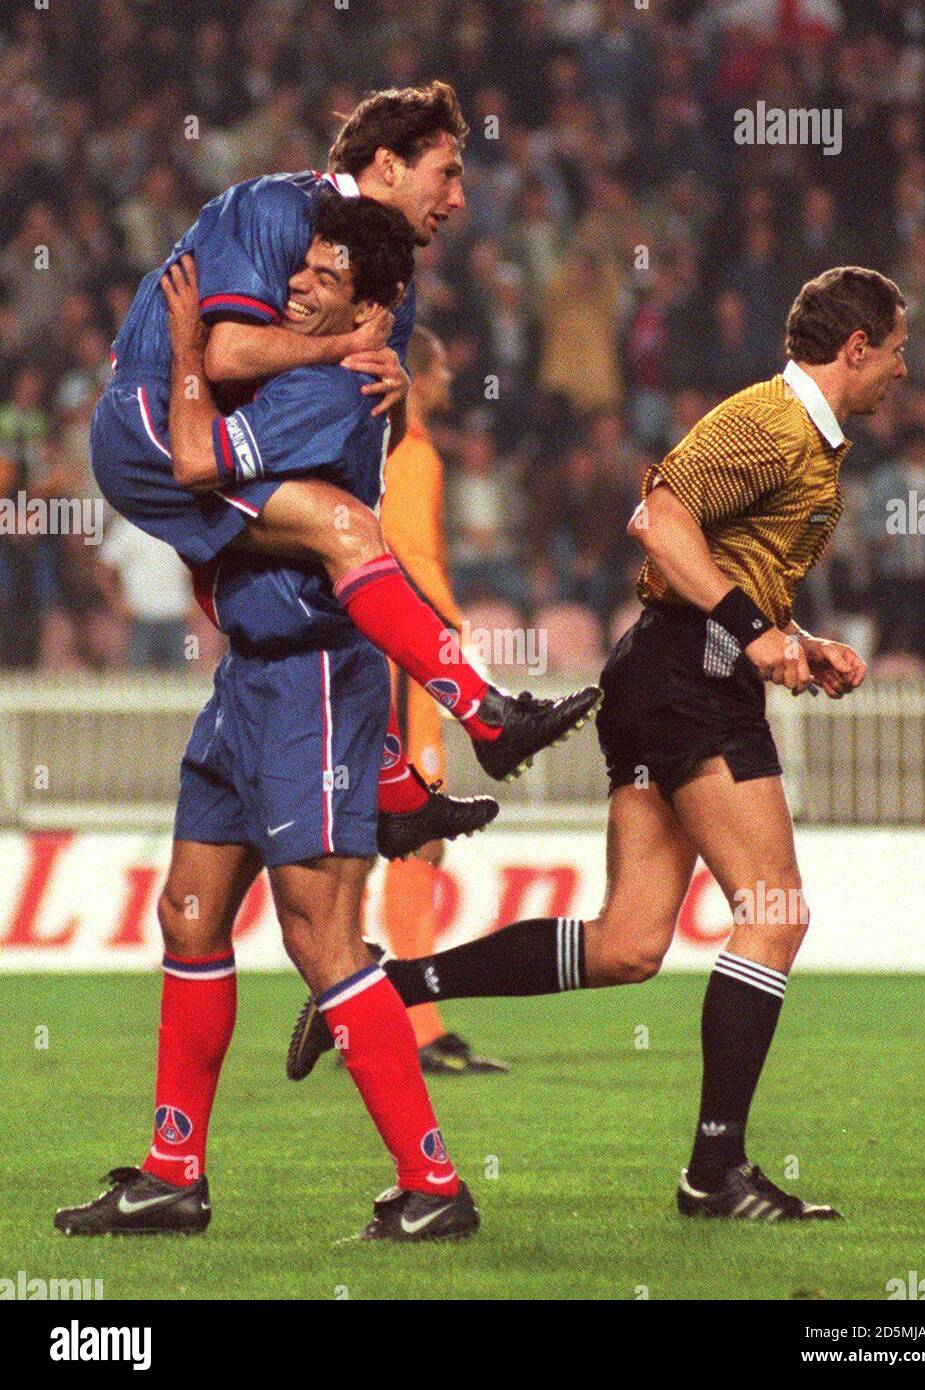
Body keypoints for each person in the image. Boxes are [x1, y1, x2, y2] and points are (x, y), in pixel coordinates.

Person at [289, 267, 908, 1223]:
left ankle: (386, 983)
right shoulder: (773, 421)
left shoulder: (809, 442)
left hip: (669, 673)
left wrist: (796, 641)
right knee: (775, 914)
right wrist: (755, 634)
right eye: (898, 351)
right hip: (690, 679)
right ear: (856, 348)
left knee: (626, 946)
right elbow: (656, 520)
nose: (904, 372)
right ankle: (716, 1173)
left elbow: (720, 559)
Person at [55, 201, 480, 1244]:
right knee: (190, 914)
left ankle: (433, 1187)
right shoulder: (323, 367)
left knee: (317, 933)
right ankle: (171, 1174)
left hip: (311, 677)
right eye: (298, 269)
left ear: (369, 305)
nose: (296, 284)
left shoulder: (331, 387)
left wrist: (192, 347)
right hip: (249, 680)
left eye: (323, 276)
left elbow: (194, 459)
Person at [89, 79, 600, 836]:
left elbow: (362, 443)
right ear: (388, 165)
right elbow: (224, 352)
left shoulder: (395, 285)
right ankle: (486, 716)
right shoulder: (270, 208)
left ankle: (393, 791)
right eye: (448, 172)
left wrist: (390, 391)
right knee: (342, 537)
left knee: (339, 584)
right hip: (157, 423)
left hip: (239, 439)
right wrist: (344, 345)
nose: (458, 198)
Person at [289, 326, 508, 1080]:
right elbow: (409, 563)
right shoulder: (412, 451)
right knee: (416, 836)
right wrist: (450, 654)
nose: (449, 382)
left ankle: (376, 1012)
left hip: (381, 657)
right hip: (408, 664)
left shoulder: (374, 447)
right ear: (420, 374)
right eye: (444, 368)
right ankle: (406, 1023)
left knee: (386, 836)